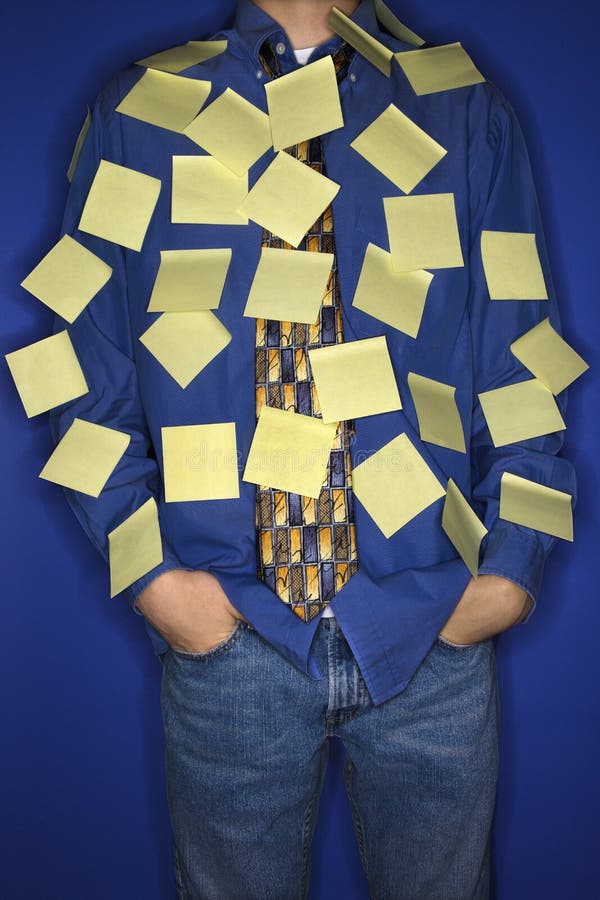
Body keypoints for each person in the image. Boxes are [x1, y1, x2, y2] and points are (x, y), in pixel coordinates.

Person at [42, 0, 577, 896]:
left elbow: (519, 346)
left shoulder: (461, 105)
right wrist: (152, 580)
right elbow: (80, 357)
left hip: (432, 625)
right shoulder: (139, 109)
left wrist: (512, 570)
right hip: (230, 634)